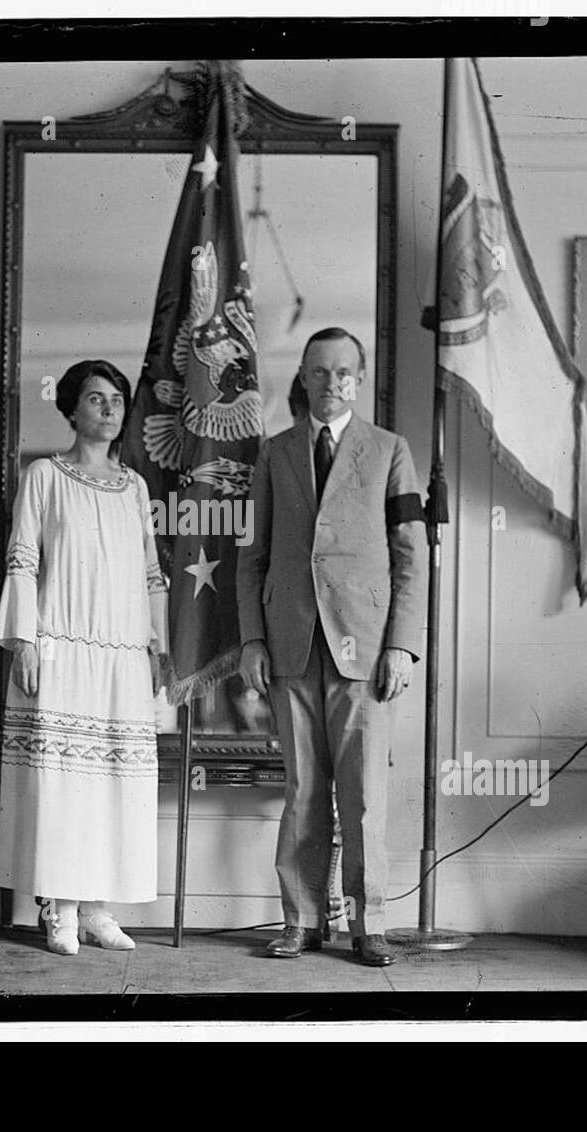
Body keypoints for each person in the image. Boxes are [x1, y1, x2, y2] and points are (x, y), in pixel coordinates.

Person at [236, 327, 424, 967]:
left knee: (364, 795)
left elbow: (410, 559)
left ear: (360, 378)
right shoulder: (274, 453)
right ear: (305, 378)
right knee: (303, 791)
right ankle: (302, 920)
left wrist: (400, 645)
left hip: (366, 650)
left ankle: (369, 924)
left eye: (344, 372)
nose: (332, 382)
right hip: (291, 642)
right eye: (319, 371)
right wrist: (253, 640)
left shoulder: (391, 451)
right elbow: (251, 558)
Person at [0, 359, 169, 956]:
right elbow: (23, 558)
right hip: (61, 647)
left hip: (121, 657)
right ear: (71, 409)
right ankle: (59, 907)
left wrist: (156, 648)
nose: (110, 408)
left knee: (112, 784)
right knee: (63, 785)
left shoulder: (135, 486)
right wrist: (24, 640)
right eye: (96, 399)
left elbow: (151, 575)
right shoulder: (45, 475)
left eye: (117, 399)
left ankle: (96, 907)